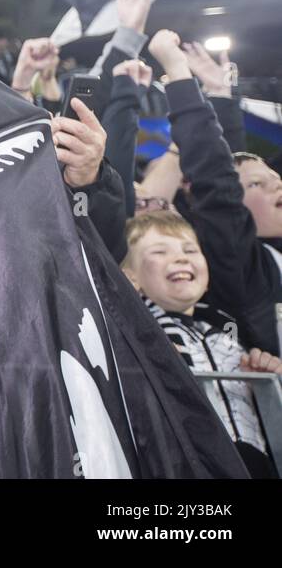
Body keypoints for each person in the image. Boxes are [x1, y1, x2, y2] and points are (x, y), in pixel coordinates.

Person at [147, 29, 282, 355]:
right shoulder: (245, 267)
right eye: (255, 185)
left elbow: (229, 163)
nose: (276, 184)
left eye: (274, 177)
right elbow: (219, 182)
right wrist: (179, 77)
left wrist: (220, 93)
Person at [120, 210, 280, 478]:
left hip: (256, 465)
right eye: (160, 252)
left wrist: (266, 381)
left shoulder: (228, 333)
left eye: (191, 250)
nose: (181, 257)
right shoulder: (135, 334)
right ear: (130, 278)